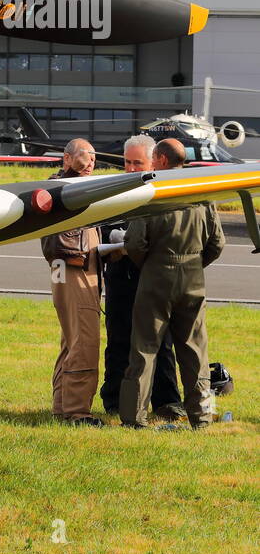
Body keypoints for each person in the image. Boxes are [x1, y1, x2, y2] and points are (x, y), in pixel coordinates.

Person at [119, 138, 224, 429]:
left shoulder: (154, 191)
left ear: (162, 161)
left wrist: (150, 265)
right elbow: (217, 243)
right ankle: (202, 417)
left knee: (144, 348)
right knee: (195, 351)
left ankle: (133, 417)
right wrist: (194, 264)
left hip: (156, 275)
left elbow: (134, 241)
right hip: (193, 277)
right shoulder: (203, 192)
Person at [100, 133, 184, 420]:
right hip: (119, 277)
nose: (132, 168)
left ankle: (166, 401)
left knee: (162, 341)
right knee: (118, 340)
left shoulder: (165, 192)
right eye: (127, 162)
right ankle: (113, 400)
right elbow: (99, 231)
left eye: (138, 162)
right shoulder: (112, 191)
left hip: (153, 279)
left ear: (154, 161)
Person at [40, 138, 103, 427]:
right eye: (84, 157)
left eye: (93, 158)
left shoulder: (61, 186)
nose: (90, 162)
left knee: (71, 338)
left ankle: (62, 405)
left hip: (63, 267)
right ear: (66, 158)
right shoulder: (68, 189)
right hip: (75, 267)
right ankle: (78, 412)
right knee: (85, 339)